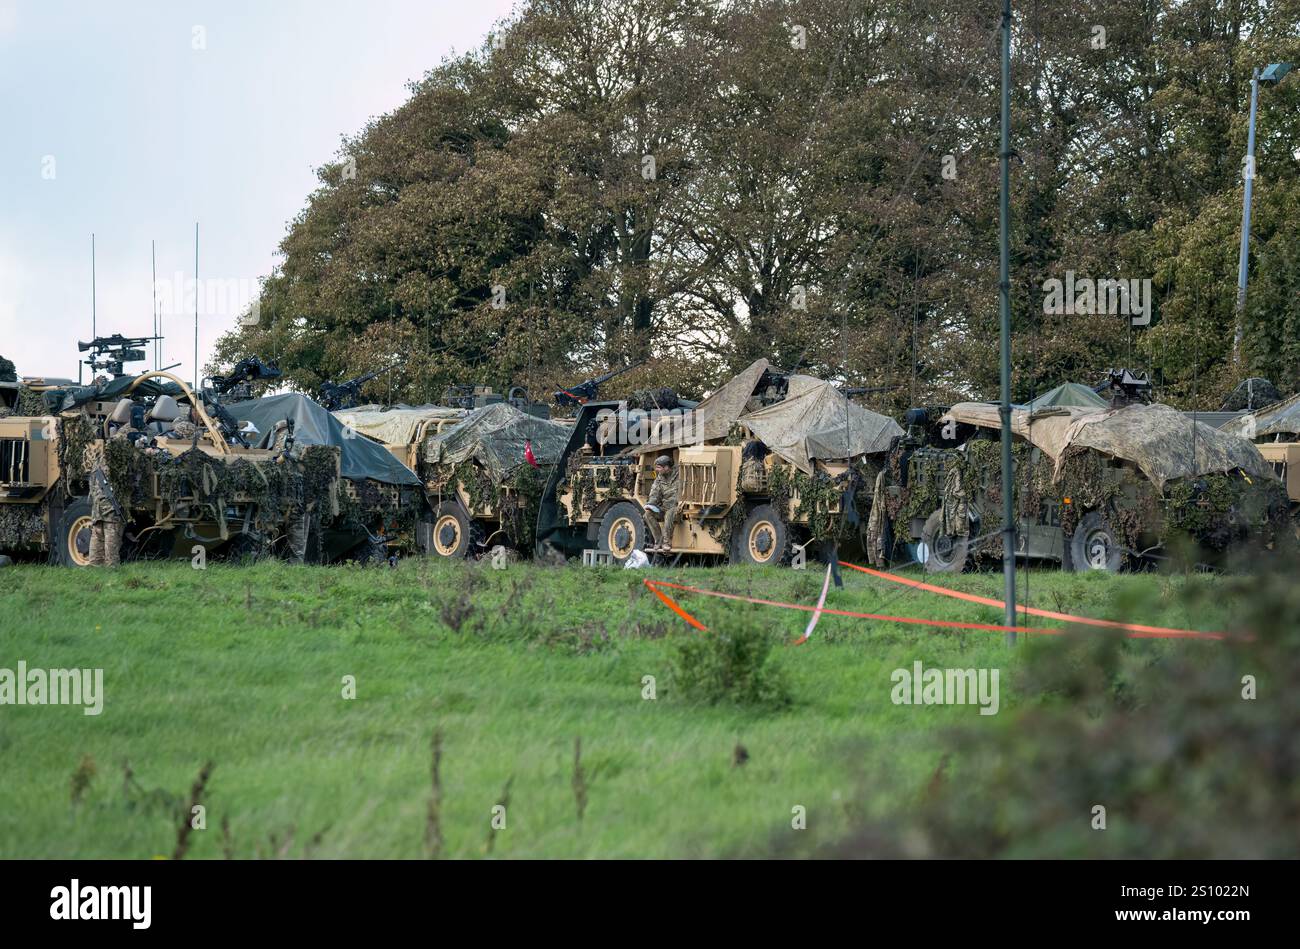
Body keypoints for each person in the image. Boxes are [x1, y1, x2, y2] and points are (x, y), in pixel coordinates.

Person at [273, 419, 313, 564]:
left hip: (291, 494)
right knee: (298, 531)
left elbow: (283, 459)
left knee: (296, 529)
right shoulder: (295, 441)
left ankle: (295, 562)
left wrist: (276, 461)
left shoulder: (287, 441)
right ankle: (296, 561)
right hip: (298, 493)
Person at [644, 454, 679, 552]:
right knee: (647, 514)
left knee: (670, 514)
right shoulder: (659, 479)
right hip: (664, 506)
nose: (657, 470)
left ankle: (666, 542)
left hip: (676, 506)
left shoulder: (680, 474)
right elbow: (654, 494)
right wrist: (650, 504)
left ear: (667, 467)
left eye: (659, 468)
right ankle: (658, 540)